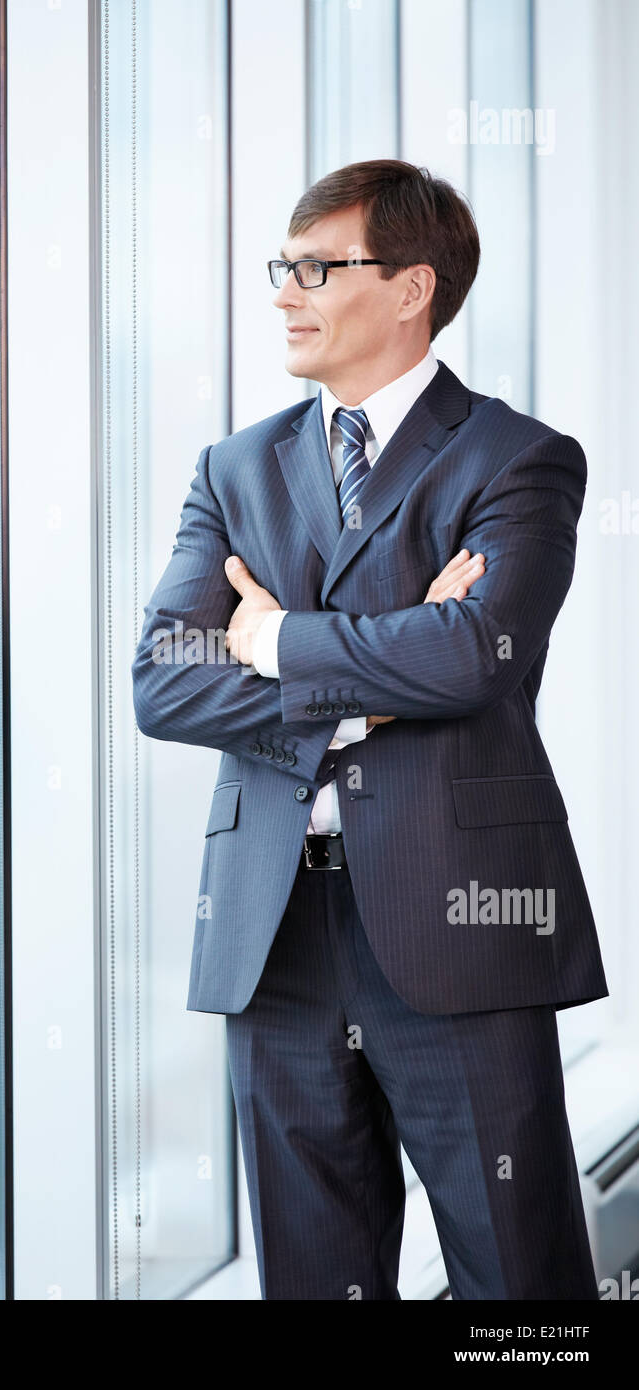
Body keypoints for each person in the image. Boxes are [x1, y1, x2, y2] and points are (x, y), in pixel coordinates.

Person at [131, 159, 608, 1300]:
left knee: (515, 1277)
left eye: (315, 267)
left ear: (409, 289)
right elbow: (163, 682)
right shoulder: (235, 466)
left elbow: (471, 655)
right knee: (311, 1279)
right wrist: (381, 668)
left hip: (457, 917)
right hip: (274, 929)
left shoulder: (516, 460)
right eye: (280, 268)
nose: (285, 292)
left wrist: (281, 640)